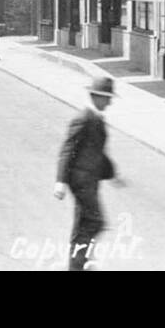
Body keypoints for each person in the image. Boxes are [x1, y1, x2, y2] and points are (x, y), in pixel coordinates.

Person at [53, 76, 123, 271]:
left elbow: (98, 152)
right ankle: (78, 265)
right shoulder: (83, 118)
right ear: (96, 97)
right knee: (94, 221)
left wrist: (113, 174)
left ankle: (78, 264)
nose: (109, 103)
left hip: (89, 181)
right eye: (107, 98)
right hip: (81, 181)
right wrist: (60, 181)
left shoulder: (95, 119)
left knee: (85, 223)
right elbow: (68, 149)